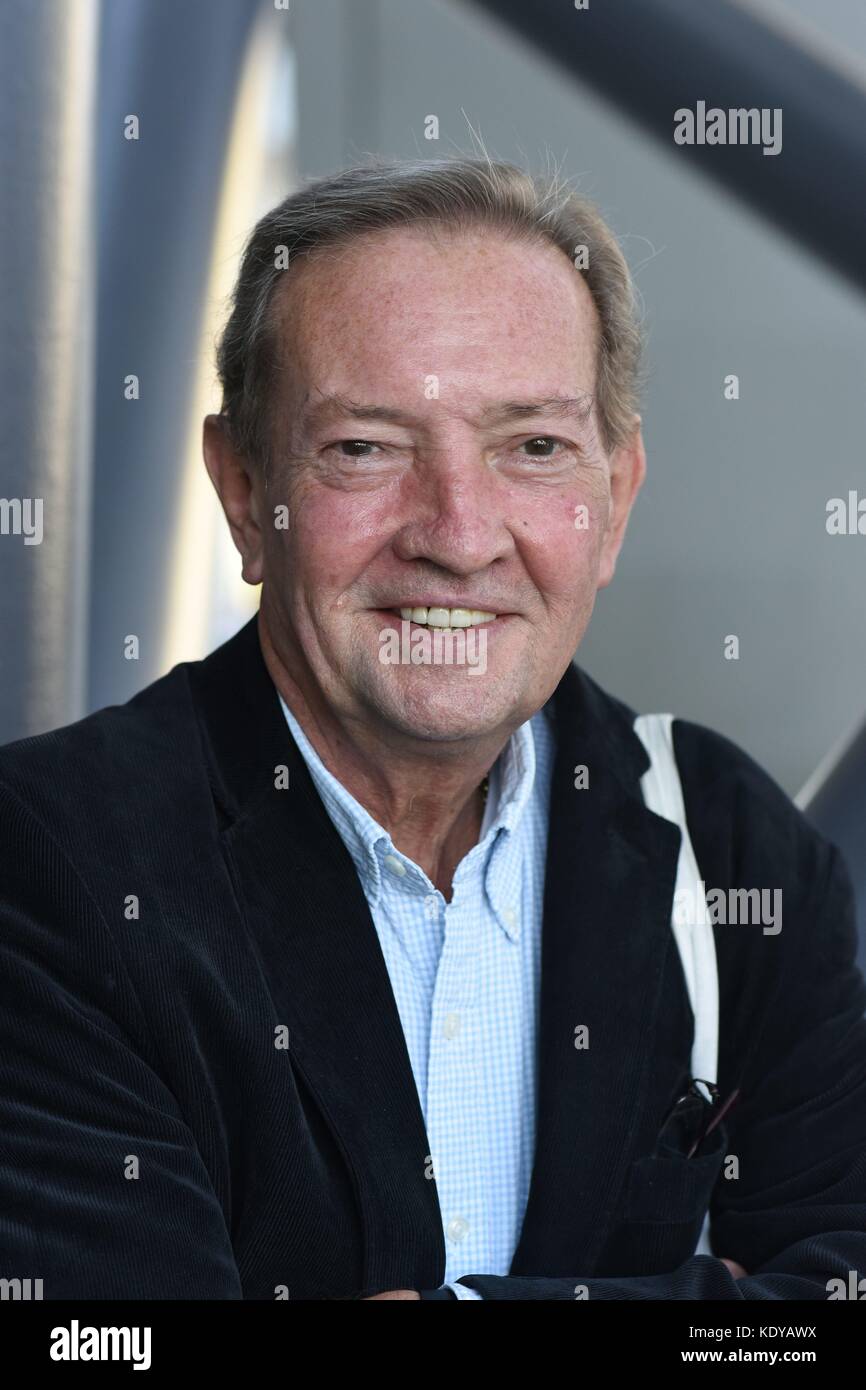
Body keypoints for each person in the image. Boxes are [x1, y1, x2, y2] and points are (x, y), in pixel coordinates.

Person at [1, 157, 864, 1300]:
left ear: (615, 497)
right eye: (365, 446)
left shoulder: (722, 840)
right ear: (240, 488)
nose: (458, 535)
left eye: (533, 447)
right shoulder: (48, 860)